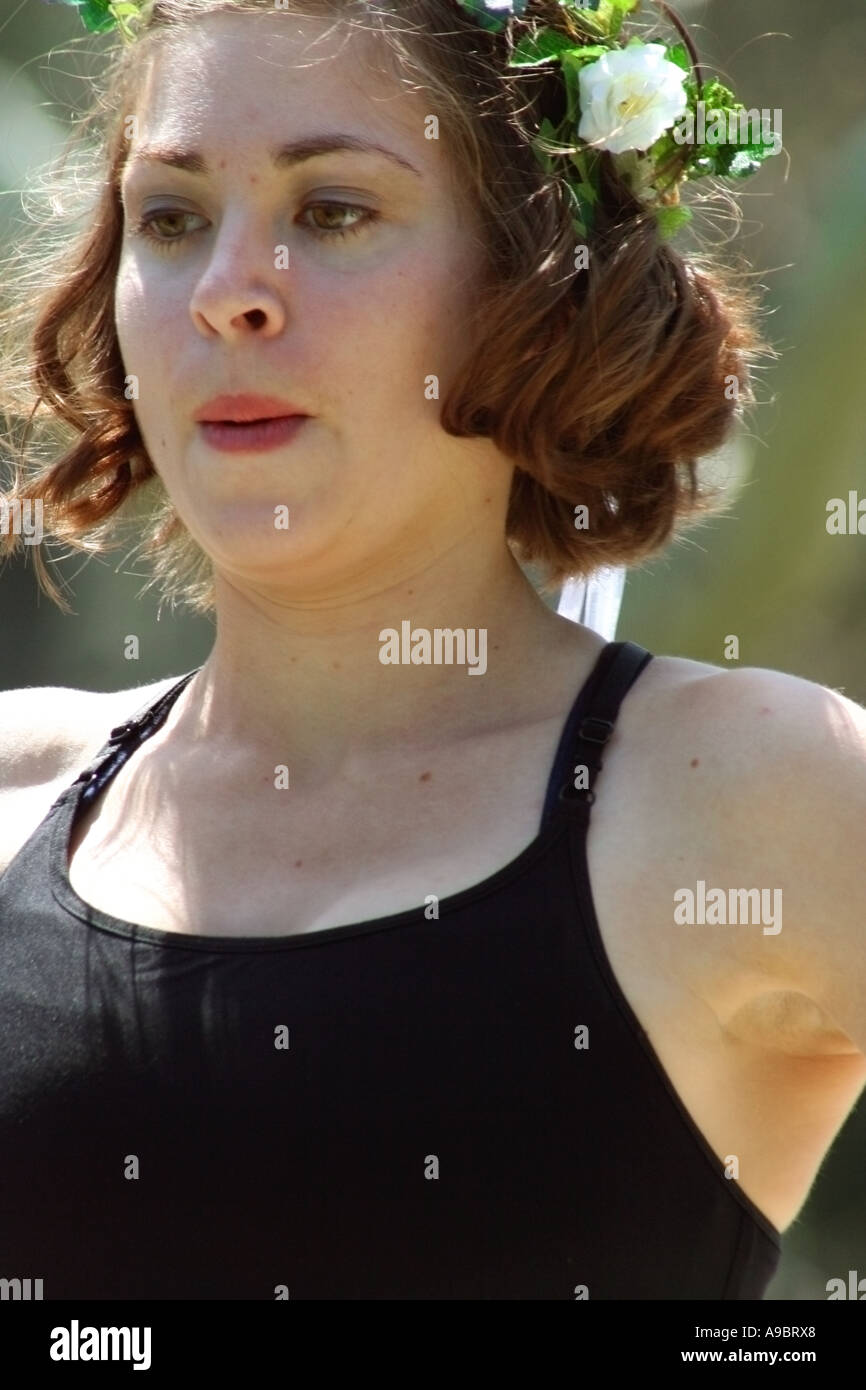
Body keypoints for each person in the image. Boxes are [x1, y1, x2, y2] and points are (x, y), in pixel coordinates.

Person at [0, 0, 864, 1302]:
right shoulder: (11, 797)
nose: (228, 288)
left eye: (331, 210)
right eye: (170, 217)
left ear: (527, 278)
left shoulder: (752, 790)